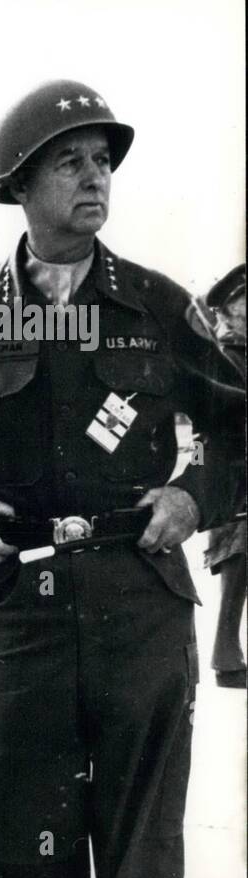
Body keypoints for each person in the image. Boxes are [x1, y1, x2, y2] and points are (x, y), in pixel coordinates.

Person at [0, 80, 246, 878]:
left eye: (102, 163)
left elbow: (237, 427)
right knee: (15, 852)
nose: (95, 178)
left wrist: (194, 494)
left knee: (140, 866)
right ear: (19, 185)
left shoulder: (156, 303)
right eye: (70, 162)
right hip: (20, 614)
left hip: (139, 606)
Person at [202, 264, 247, 687]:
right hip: (234, 470)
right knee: (238, 548)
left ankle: (227, 653)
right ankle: (225, 652)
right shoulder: (228, 357)